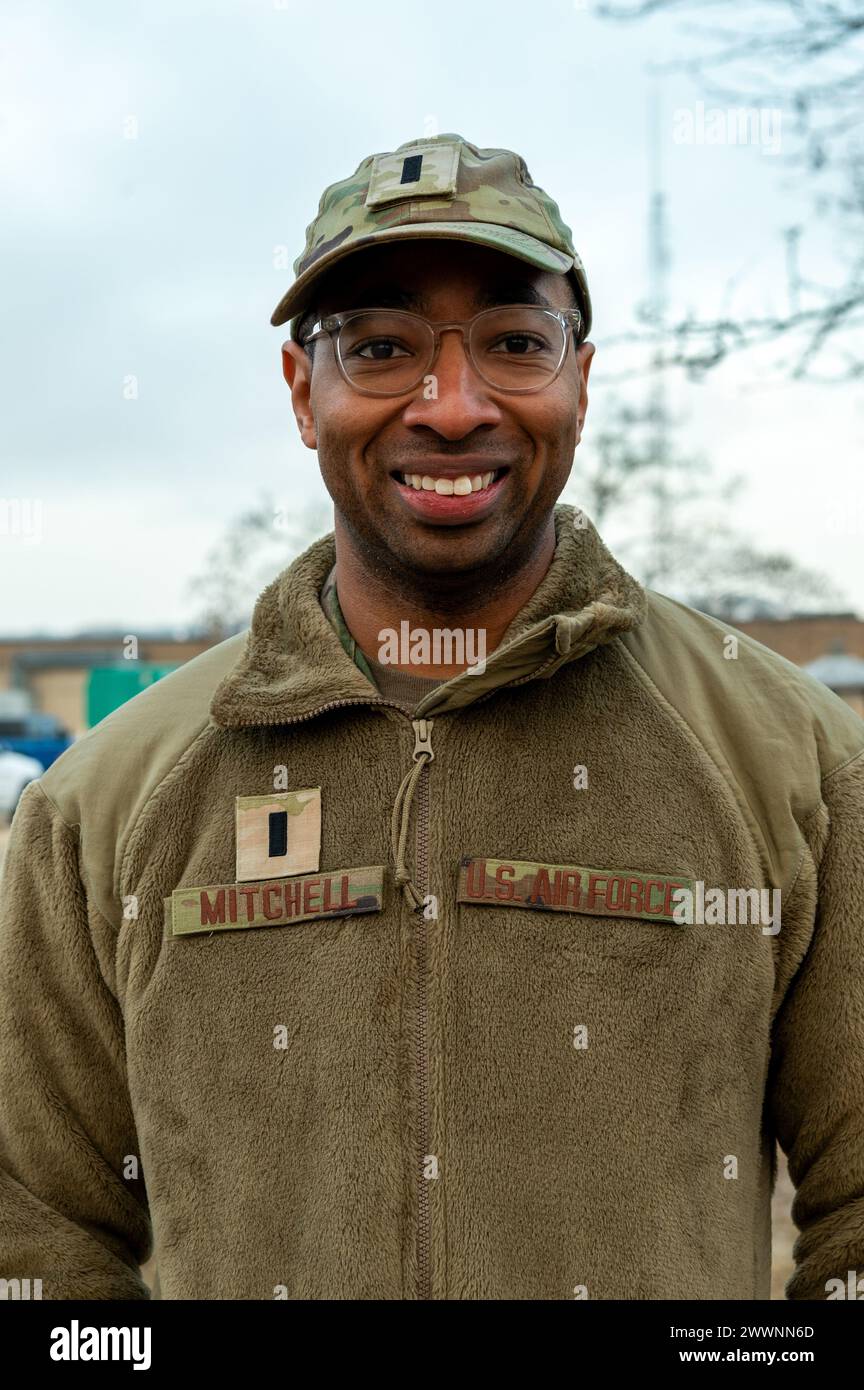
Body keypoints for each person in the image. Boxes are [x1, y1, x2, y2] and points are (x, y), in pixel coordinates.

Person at [1, 133, 862, 1302]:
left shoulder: (796, 762)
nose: (451, 408)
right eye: (382, 348)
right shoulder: (100, 808)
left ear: (581, 382)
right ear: (306, 394)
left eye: (514, 344)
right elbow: (34, 1234)